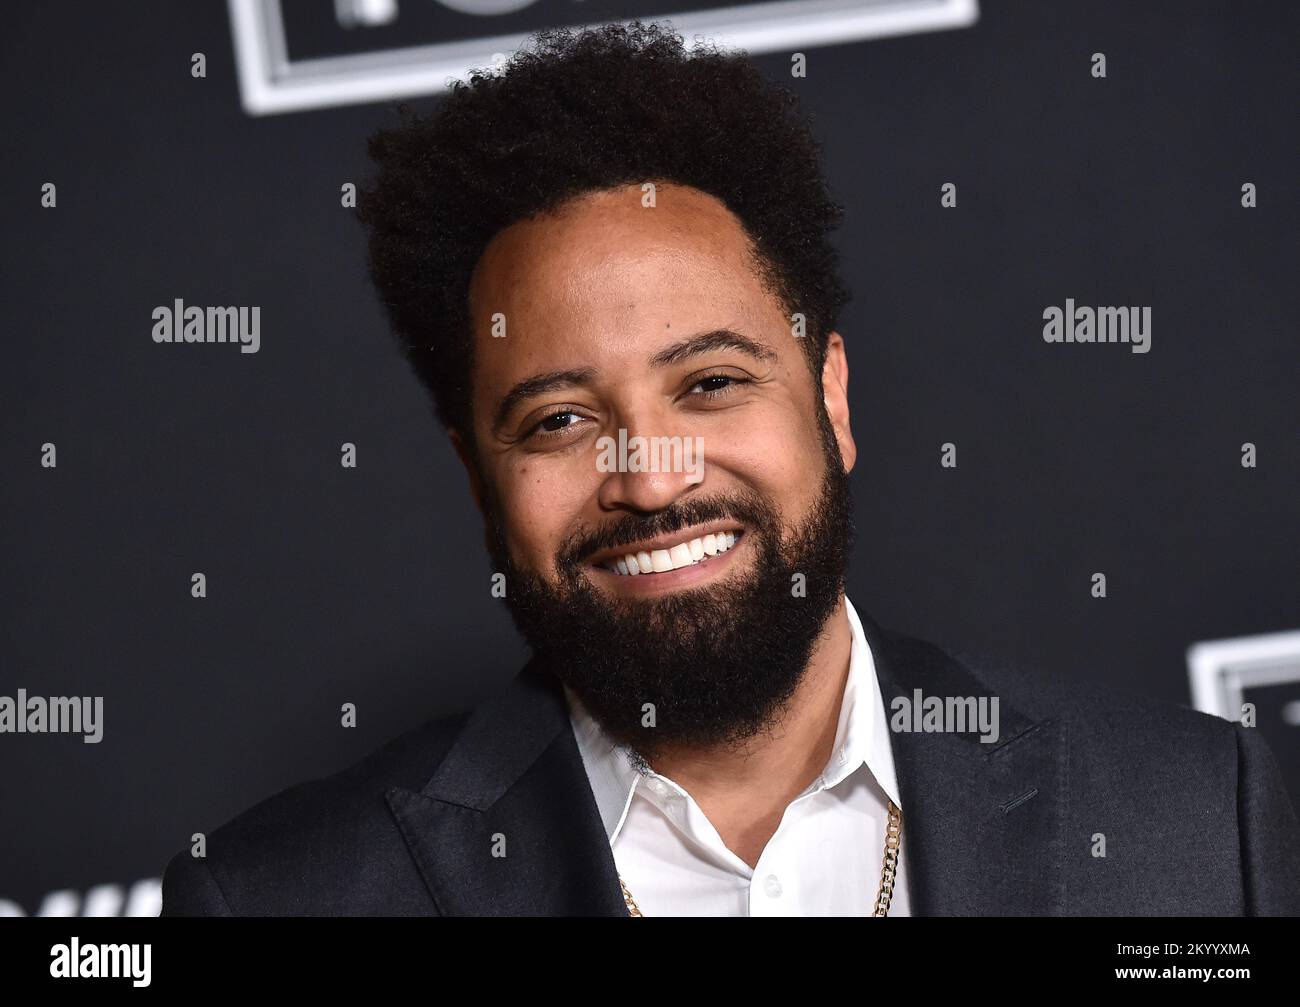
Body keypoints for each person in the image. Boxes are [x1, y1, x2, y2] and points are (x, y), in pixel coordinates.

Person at [160, 20, 1300, 916]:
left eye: (708, 383)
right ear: (477, 476)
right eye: (558, 419)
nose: (651, 480)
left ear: (830, 398)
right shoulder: (284, 898)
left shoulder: (1200, 820)